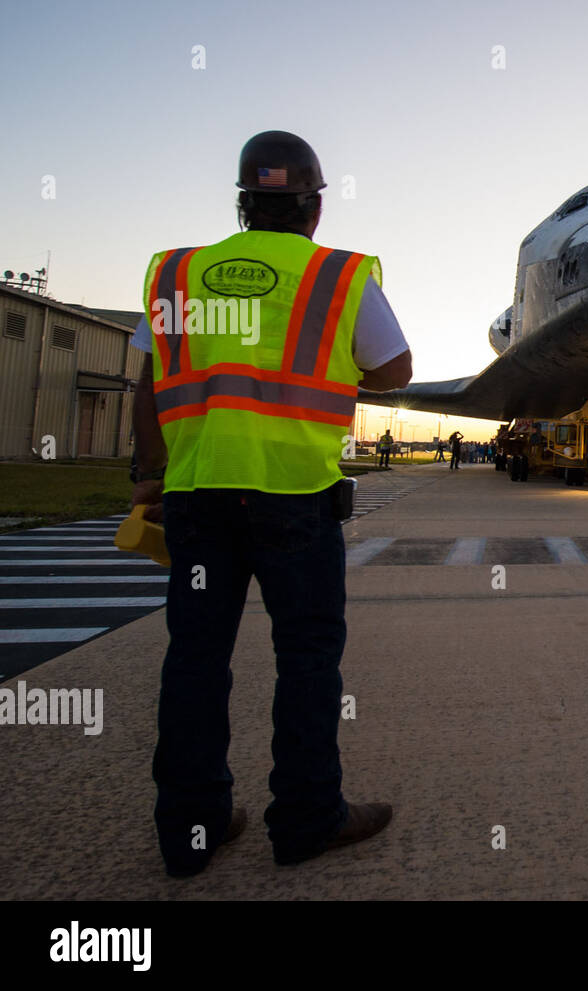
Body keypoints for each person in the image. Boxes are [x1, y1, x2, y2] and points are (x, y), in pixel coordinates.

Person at [129, 130, 409, 875]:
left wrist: (146, 477)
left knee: (194, 659)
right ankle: (307, 817)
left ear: (243, 203)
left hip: (197, 501)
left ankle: (190, 831)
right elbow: (394, 368)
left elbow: (147, 382)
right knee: (307, 659)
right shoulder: (338, 277)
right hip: (296, 502)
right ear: (314, 206)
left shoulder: (178, 274)